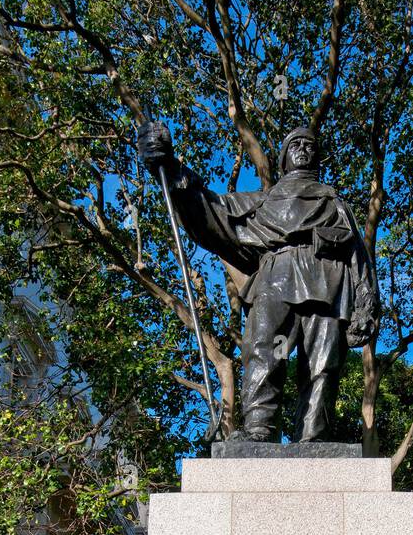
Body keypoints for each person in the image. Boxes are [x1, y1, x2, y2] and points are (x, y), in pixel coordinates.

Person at [137, 122, 379, 443]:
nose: (304, 149)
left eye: (310, 145)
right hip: (275, 279)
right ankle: (258, 430)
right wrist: (168, 166)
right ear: (283, 160)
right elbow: (208, 209)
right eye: (296, 145)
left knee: (323, 362)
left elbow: (358, 257)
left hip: (327, 283)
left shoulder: (336, 206)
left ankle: (314, 435)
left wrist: (366, 303)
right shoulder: (259, 204)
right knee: (264, 351)